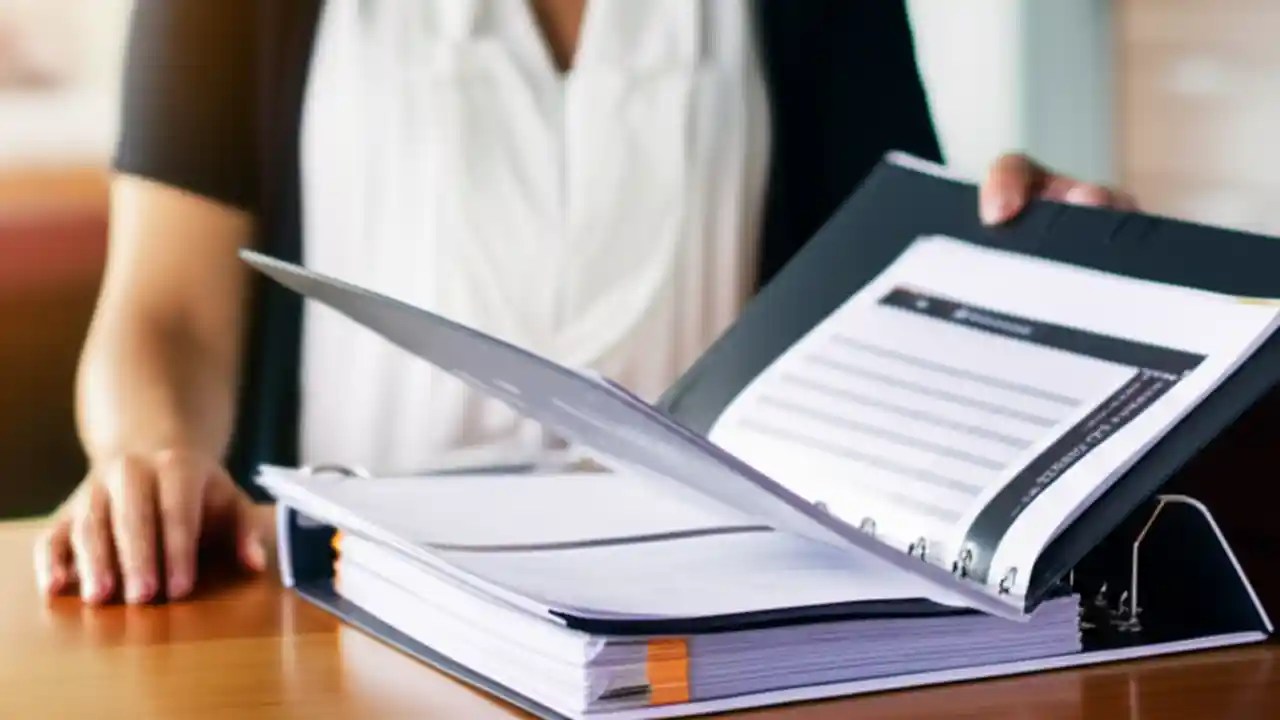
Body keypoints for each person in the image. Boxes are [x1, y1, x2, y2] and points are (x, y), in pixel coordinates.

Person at [34, 0, 1135, 606]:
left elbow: (879, 303)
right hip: (351, 597)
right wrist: (151, 454)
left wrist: (1025, 258)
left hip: (718, 618)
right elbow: (167, 309)